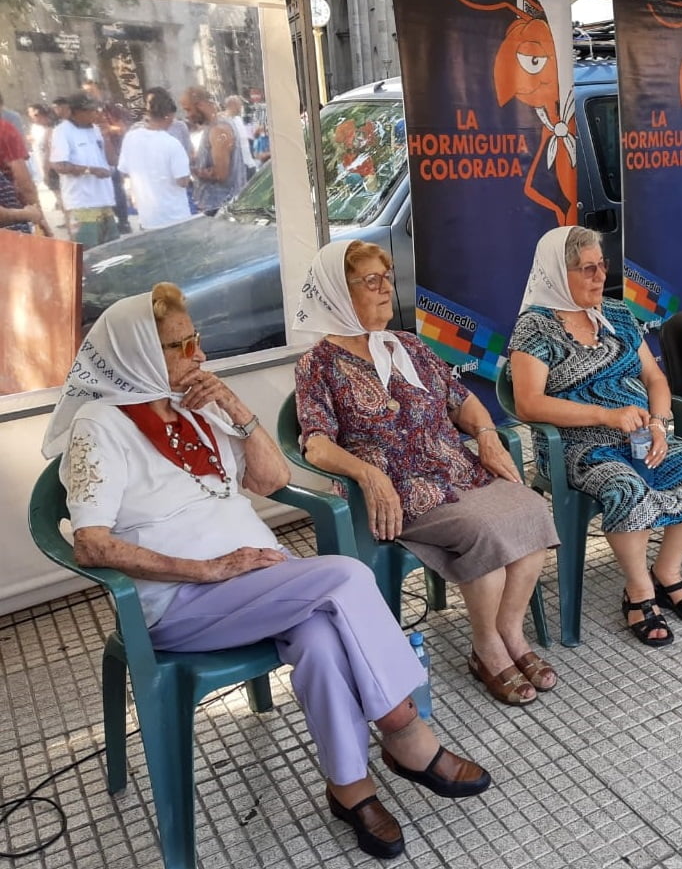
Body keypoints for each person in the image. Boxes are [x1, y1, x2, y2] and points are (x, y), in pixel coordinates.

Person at [41, 284, 491, 860]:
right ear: (138, 356)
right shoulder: (99, 428)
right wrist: (205, 569)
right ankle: (407, 732)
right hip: (184, 604)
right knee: (348, 577)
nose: (198, 355)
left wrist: (236, 409)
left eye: (196, 338)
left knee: (323, 638)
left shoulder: (192, 406)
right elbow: (93, 546)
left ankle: (349, 788)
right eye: (181, 346)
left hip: (258, 585)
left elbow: (271, 479)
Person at [294, 241, 560, 707]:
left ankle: (510, 634)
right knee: (486, 531)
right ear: (338, 291)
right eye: (370, 281)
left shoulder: (408, 345)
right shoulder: (317, 364)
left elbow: (462, 400)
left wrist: (487, 434)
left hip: (455, 469)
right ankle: (487, 650)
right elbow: (315, 444)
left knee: (532, 510)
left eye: (386, 278)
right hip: (401, 490)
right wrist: (369, 476)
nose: (385, 289)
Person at [508, 226, 682, 646]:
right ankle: (638, 593)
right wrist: (605, 415)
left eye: (602, 265)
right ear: (559, 272)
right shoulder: (535, 328)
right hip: (577, 445)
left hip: (638, 434)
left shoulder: (618, 315)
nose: (599, 276)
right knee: (626, 487)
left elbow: (654, 377)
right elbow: (529, 404)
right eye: (587, 268)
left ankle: (665, 573)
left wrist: (658, 424)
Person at [117, 89, 192, 231]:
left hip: (147, 218)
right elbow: (182, 181)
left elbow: (124, 170)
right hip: (175, 219)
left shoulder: (130, 137)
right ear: (169, 115)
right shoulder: (172, 143)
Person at [49, 93, 116, 247]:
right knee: (88, 256)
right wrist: (90, 170)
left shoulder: (96, 129)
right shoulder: (62, 131)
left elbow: (112, 161)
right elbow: (58, 165)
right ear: (76, 111)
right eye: (91, 110)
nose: (96, 113)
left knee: (112, 254)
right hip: (82, 205)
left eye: (96, 109)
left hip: (104, 201)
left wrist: (106, 136)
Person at [179, 86, 246, 214]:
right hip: (217, 206)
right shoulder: (214, 126)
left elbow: (220, 174)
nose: (188, 115)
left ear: (200, 105)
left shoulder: (218, 129)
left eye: (188, 110)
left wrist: (192, 170)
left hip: (220, 208)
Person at [81, 79, 135, 234]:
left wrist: (106, 129)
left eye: (91, 91)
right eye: (86, 92)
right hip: (94, 157)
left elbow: (124, 128)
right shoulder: (84, 113)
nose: (89, 95)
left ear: (100, 91)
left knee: (116, 188)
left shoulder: (112, 109)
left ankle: (123, 222)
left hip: (113, 155)